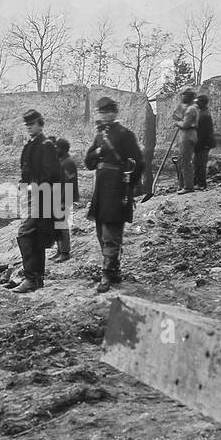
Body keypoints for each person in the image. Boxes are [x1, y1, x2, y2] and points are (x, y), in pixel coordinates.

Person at [85, 97, 143, 294]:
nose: (106, 115)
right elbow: (88, 162)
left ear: (115, 112)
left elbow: (139, 163)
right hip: (101, 188)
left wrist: (129, 187)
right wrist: (99, 151)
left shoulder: (125, 135)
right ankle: (115, 269)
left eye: (109, 111)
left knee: (111, 232)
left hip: (117, 187)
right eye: (102, 112)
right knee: (101, 231)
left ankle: (107, 273)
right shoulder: (101, 135)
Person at [11, 108, 60, 294]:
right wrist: (22, 185)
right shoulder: (31, 144)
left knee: (24, 233)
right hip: (31, 195)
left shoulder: (45, 144)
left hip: (41, 195)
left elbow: (49, 173)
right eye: (28, 125)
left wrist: (33, 186)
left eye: (33, 124)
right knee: (35, 236)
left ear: (40, 125)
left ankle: (31, 277)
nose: (30, 128)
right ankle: (36, 279)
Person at [51, 136, 78, 263]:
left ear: (62, 149)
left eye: (57, 147)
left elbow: (68, 183)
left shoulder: (68, 163)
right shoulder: (61, 160)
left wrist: (63, 199)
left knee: (62, 224)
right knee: (57, 224)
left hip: (64, 197)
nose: (55, 149)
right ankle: (59, 250)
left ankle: (65, 252)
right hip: (57, 196)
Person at [172, 88, 200, 192]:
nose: (182, 97)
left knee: (185, 162)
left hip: (187, 136)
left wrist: (177, 123)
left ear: (188, 96)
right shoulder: (190, 108)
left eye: (183, 95)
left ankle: (188, 186)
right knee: (182, 160)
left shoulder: (191, 109)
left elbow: (185, 124)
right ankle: (183, 185)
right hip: (186, 136)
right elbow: (177, 115)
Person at [194, 94, 215, 190]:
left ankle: (201, 184)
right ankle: (197, 182)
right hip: (202, 143)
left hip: (203, 144)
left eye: (198, 102)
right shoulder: (202, 113)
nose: (196, 103)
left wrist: (198, 145)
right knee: (197, 163)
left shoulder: (204, 115)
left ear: (202, 103)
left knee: (200, 164)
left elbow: (204, 134)